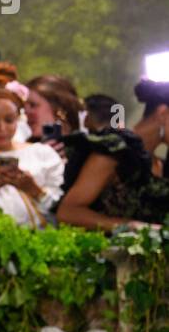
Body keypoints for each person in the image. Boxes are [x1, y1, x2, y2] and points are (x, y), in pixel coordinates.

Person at [57, 78, 169, 231]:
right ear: (163, 113)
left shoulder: (160, 164)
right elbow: (68, 212)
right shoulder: (115, 149)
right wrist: (131, 227)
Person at [0, 63, 64, 228]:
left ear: (19, 118)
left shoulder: (43, 155)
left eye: (9, 120)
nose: (1, 128)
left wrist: (34, 190)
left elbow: (62, 211)